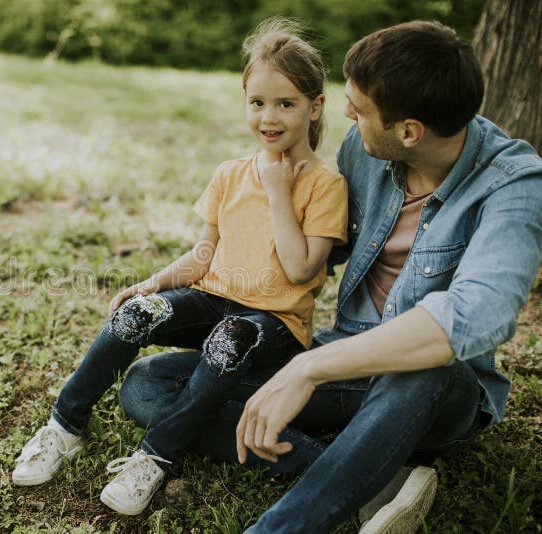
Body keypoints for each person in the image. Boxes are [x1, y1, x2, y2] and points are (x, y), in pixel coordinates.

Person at [120, 20, 542, 532]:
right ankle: (366, 474)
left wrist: (308, 370)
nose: (345, 115)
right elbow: (309, 258)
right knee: (150, 385)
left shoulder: (514, 185)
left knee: (428, 366)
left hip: (432, 394)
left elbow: (475, 317)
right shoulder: (364, 153)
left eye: (359, 110)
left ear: (409, 131)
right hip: (343, 359)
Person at [11, 18, 348, 516]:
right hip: (214, 299)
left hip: (272, 325)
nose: (268, 117)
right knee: (136, 316)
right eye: (257, 103)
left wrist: (279, 191)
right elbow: (204, 255)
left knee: (230, 335)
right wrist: (151, 285)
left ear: (315, 106)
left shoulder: (325, 185)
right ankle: (64, 426)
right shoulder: (230, 174)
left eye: (286, 103)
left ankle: (156, 456)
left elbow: (300, 271)